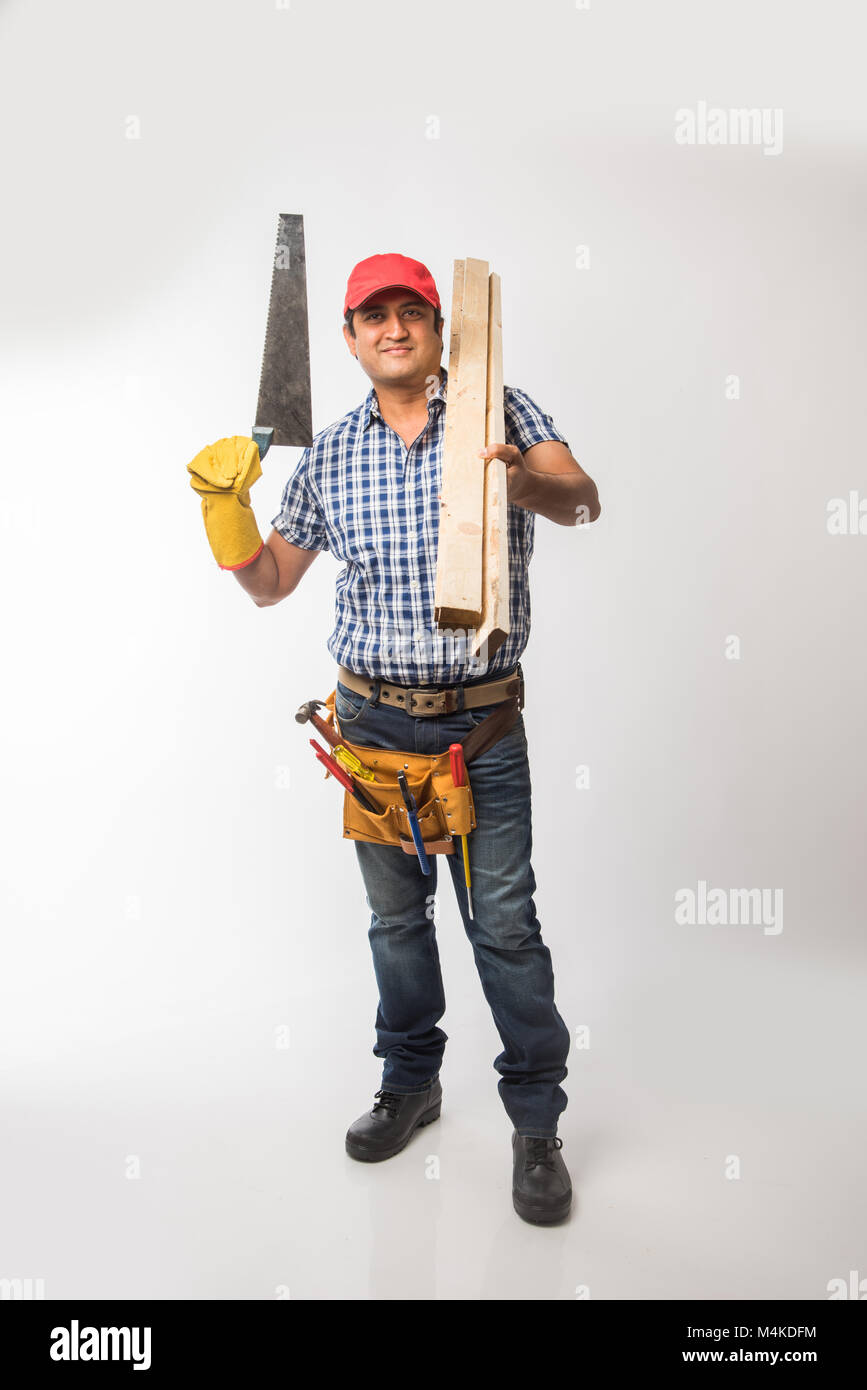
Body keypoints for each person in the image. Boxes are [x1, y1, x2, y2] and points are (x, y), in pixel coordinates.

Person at [187, 253, 601, 1224]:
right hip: (371, 727)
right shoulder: (329, 451)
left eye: (410, 309)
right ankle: (410, 1083)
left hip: (482, 723)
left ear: (437, 327)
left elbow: (585, 500)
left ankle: (536, 1123)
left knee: (503, 925)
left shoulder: (504, 410)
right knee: (394, 923)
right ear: (349, 337)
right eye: (372, 314)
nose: (393, 326)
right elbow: (269, 583)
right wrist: (225, 508)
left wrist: (523, 489)